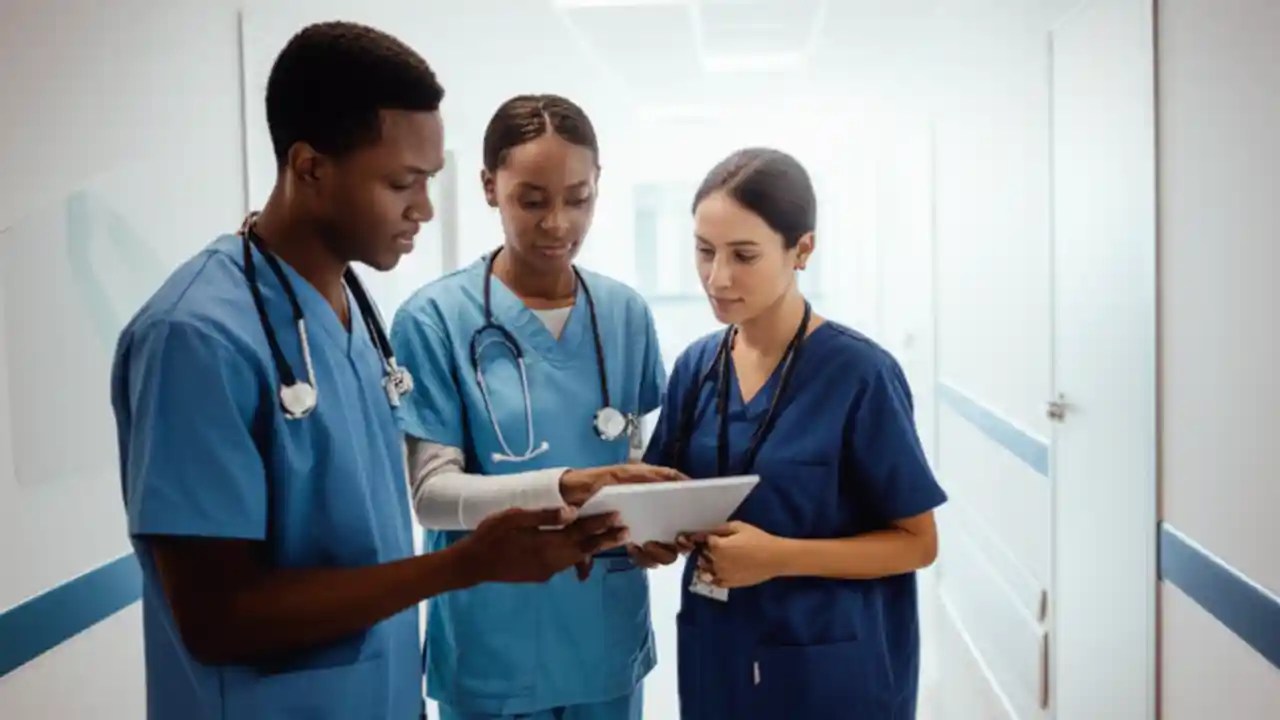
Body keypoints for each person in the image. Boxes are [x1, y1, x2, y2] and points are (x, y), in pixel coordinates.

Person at [110, 24, 630, 720]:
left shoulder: (356, 319)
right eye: (401, 183)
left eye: (428, 180)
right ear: (311, 167)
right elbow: (218, 618)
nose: (423, 207)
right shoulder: (196, 337)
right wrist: (464, 564)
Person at [389, 94, 680, 720]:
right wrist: (570, 486)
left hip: (603, 636)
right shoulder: (434, 319)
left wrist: (650, 530)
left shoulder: (624, 314)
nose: (558, 225)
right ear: (490, 187)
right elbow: (433, 496)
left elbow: (627, 460)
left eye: (579, 199)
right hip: (493, 637)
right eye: (533, 199)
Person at [636, 147, 948, 719]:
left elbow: (918, 543)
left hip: (831, 667)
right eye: (704, 251)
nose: (717, 277)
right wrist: (653, 538)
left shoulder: (860, 374)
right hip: (719, 654)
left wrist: (779, 557)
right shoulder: (697, 368)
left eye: (743, 255)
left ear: (802, 249)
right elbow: (666, 497)